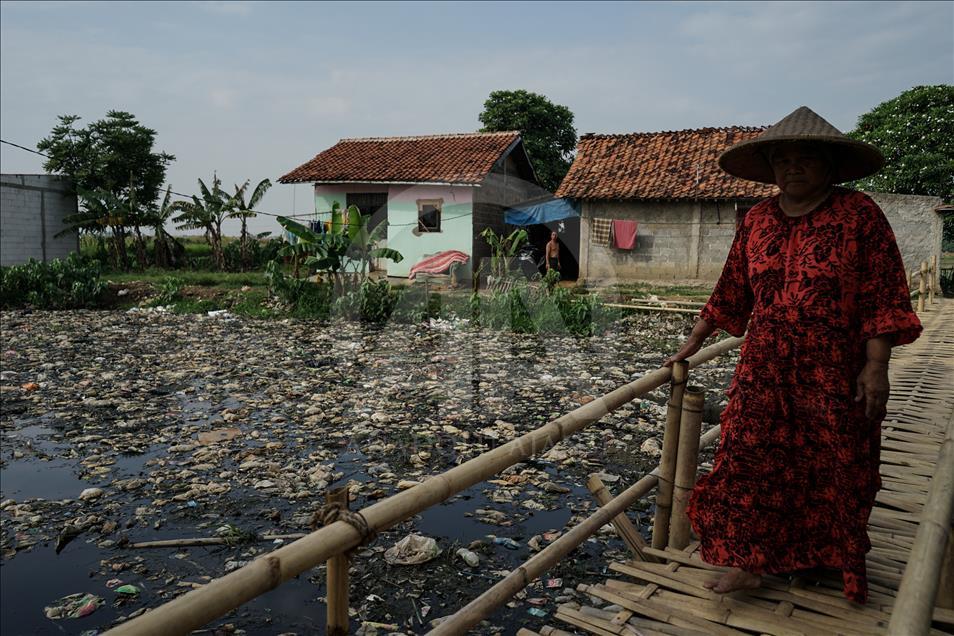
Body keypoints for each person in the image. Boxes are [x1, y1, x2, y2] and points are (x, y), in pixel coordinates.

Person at [664, 106, 921, 604]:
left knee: (833, 464)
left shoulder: (858, 215)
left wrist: (876, 367)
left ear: (829, 164)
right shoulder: (758, 219)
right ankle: (751, 563)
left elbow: (882, 296)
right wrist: (694, 340)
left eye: (806, 158)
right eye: (783, 159)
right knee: (750, 462)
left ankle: (826, 556)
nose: (793, 167)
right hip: (764, 368)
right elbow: (731, 289)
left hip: (833, 369)